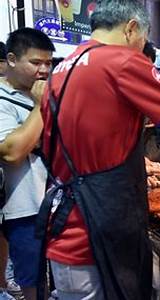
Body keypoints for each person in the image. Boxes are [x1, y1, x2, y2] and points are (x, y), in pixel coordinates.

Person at [37, 1, 160, 300]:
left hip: (64, 230)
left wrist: (136, 165)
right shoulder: (123, 61)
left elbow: (84, 145)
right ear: (131, 28)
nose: (142, 49)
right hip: (99, 237)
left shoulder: (62, 69)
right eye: (143, 41)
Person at [0, 28, 54, 300]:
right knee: (32, 281)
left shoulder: (45, 93)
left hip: (57, 203)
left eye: (48, 63)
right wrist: (40, 105)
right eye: (36, 62)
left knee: (56, 278)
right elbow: (12, 152)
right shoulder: (2, 99)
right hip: (23, 208)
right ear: (11, 59)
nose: (44, 70)